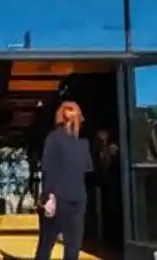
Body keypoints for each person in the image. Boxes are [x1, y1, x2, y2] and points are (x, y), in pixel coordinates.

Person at [35, 101, 92, 260]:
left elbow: (47, 169)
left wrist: (46, 196)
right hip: (78, 199)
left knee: (46, 245)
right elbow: (87, 168)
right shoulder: (83, 143)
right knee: (73, 248)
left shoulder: (53, 138)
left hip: (57, 197)